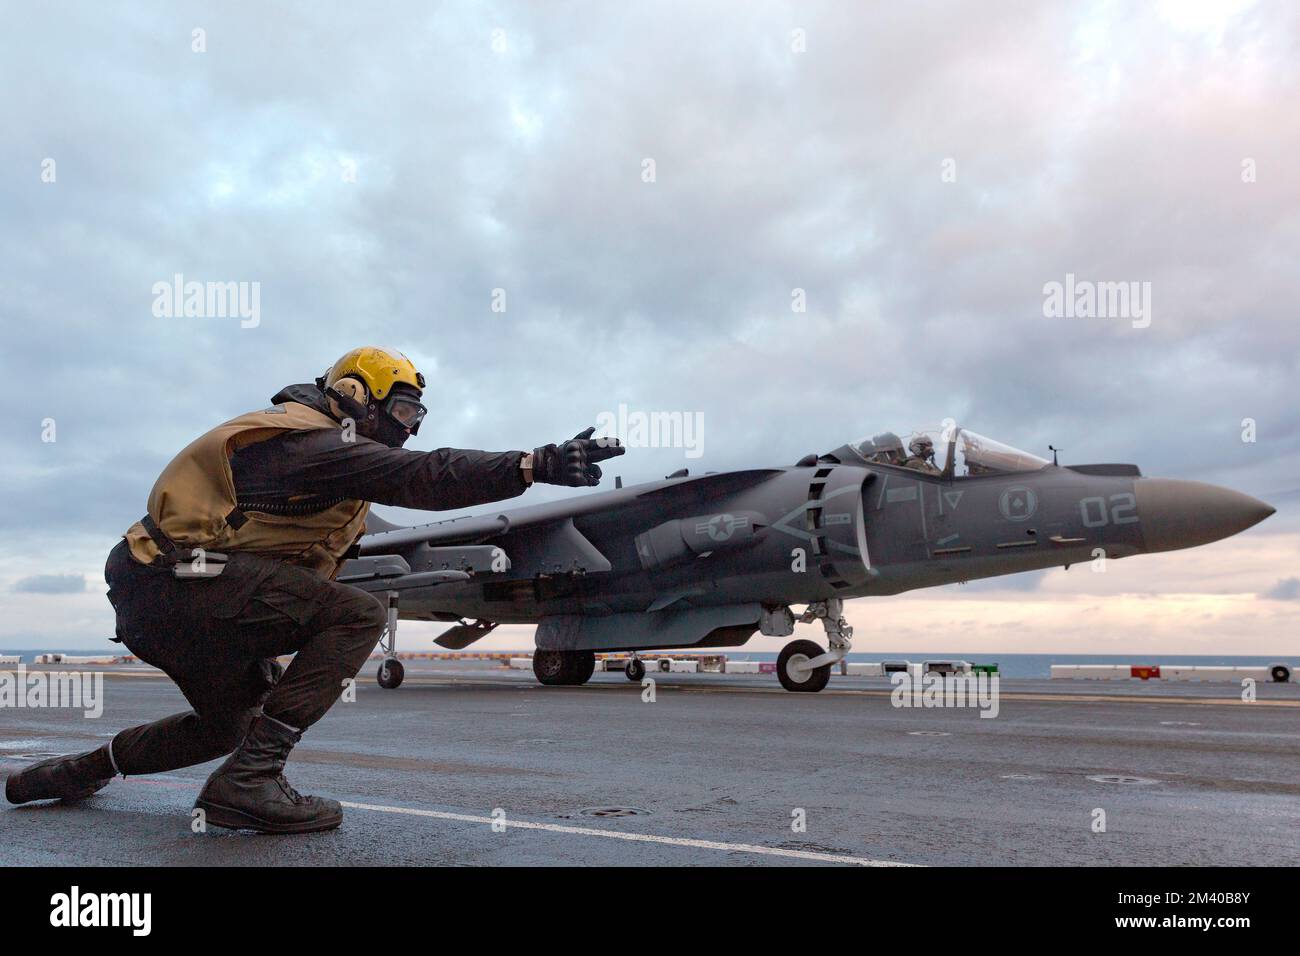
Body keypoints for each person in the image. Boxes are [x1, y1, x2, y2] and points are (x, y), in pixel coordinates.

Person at [5, 346, 624, 833]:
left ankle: (77, 772)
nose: (407, 429)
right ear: (357, 397)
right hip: (176, 584)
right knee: (356, 616)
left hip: (169, 598)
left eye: (417, 418)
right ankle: (251, 781)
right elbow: (423, 476)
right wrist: (531, 464)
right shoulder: (311, 443)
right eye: (402, 411)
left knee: (227, 725)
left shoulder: (331, 463)